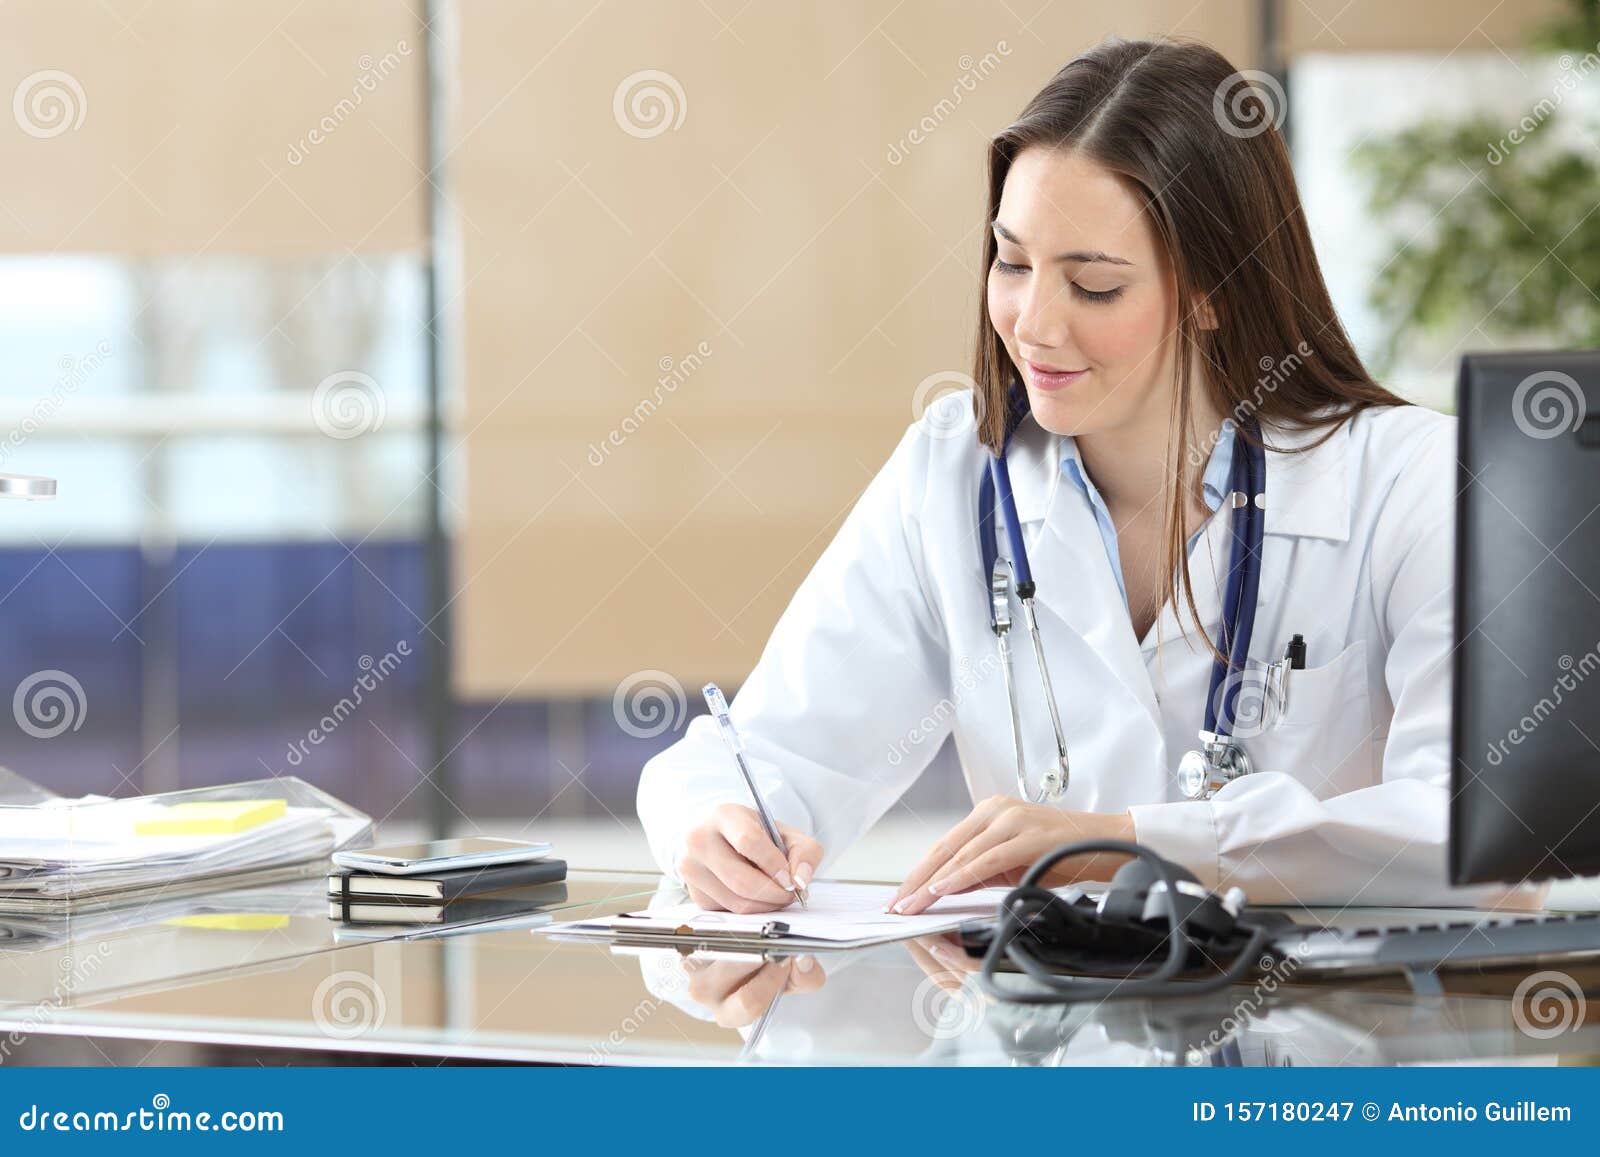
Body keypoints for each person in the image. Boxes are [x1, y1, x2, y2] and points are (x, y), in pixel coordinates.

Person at [636, 36, 1539, 914]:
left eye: (1094, 285)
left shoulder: (1419, 483)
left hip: (1346, 1053)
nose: (1032, 323)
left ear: (1211, 291)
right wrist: (714, 825)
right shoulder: (956, 475)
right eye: (1012, 262)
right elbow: (774, 755)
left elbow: (1480, 828)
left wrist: (1137, 840)